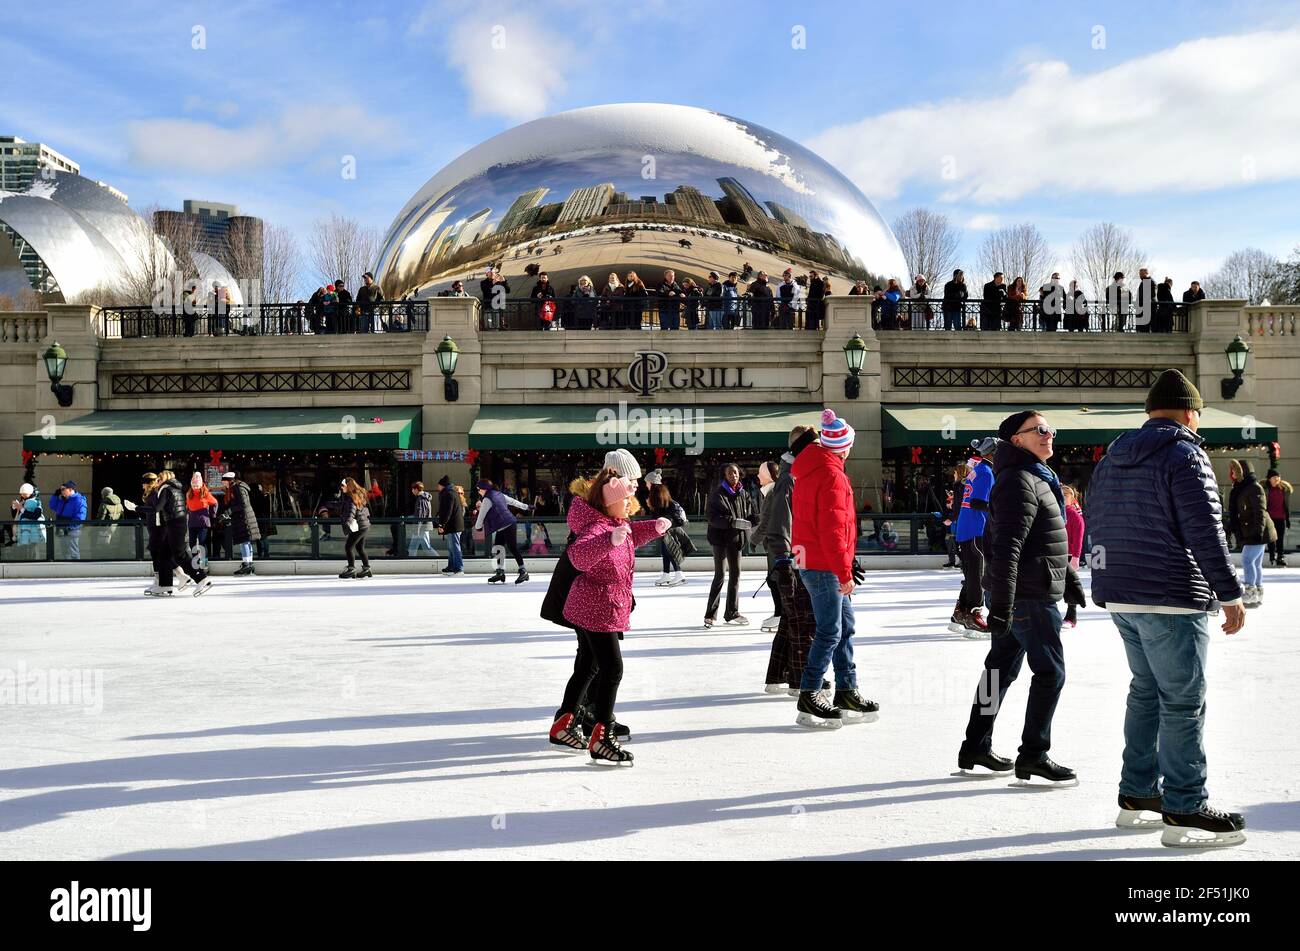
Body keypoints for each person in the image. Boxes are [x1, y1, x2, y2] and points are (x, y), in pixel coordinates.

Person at [1087, 368, 1248, 846]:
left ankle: (1139, 794)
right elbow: (1205, 531)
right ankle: (1184, 806)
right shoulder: (1185, 455)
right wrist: (1229, 592)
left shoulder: (1112, 457)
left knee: (1147, 692)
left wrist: (1104, 581)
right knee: (1181, 701)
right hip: (1172, 596)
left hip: (1121, 593)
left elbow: (1098, 525)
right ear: (1190, 413)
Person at [958, 410, 1085, 782]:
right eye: (1040, 430)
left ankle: (975, 746)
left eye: (1051, 430)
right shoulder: (1019, 480)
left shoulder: (1035, 476)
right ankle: (1034, 754)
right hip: (1028, 595)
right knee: (1050, 673)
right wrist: (1002, 603)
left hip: (1028, 590)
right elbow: (1007, 545)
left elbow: (1044, 540)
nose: (1049, 436)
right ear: (1016, 440)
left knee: (998, 672)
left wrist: (1071, 579)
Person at [548, 468, 671, 766]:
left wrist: (654, 527)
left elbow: (629, 536)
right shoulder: (597, 528)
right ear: (609, 502)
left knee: (589, 667)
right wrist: (608, 541)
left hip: (599, 606)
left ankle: (563, 725)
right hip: (595, 608)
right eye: (625, 499)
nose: (630, 503)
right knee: (612, 669)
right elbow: (578, 556)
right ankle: (602, 739)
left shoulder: (615, 523)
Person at [790, 409, 879, 728]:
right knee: (830, 630)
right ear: (844, 445)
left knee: (844, 627)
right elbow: (832, 530)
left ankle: (846, 690)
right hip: (822, 564)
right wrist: (844, 572)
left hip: (815, 560)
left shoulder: (813, 468)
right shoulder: (831, 475)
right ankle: (810, 693)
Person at [762, 425, 821, 695]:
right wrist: (786, 562)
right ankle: (799, 680)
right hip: (794, 559)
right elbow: (781, 524)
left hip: (796, 557)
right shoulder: (791, 479)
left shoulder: (796, 475)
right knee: (802, 620)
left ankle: (777, 675)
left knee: (790, 620)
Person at [949, 439, 996, 636]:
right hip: (976, 529)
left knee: (971, 574)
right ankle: (974, 615)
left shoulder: (978, 470)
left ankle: (960, 613)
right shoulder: (986, 472)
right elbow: (978, 502)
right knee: (978, 575)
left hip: (967, 529)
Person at [704, 463, 755, 627]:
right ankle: (710, 615)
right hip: (720, 540)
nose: (734, 475)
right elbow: (712, 518)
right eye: (730, 473)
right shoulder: (717, 494)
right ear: (725, 476)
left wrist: (759, 519)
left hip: (736, 540)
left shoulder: (744, 493)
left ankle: (732, 612)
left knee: (735, 575)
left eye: (736, 472)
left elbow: (750, 515)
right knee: (720, 575)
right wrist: (732, 522)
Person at [152, 469, 211, 595]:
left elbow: (157, 508)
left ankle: (202, 579)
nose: (157, 482)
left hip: (175, 524)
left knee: (180, 555)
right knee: (163, 554)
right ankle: (164, 585)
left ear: (164, 479)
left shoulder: (166, 489)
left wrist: (136, 508)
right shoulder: (175, 488)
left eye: (159, 479)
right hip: (176, 523)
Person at [1227, 459, 1275, 607]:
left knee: (1248, 560)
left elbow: (1260, 512)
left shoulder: (1254, 487)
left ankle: (1250, 591)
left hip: (1257, 531)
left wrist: (1258, 533)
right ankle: (1258, 592)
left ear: (1243, 472)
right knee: (1255, 563)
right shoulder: (1241, 488)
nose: (1232, 473)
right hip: (1252, 530)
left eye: (1235, 470)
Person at [474, 479, 531, 583]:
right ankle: (500, 572)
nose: (478, 491)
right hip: (503, 525)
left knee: (512, 547)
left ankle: (523, 571)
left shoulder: (487, 499)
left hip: (507, 524)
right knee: (498, 546)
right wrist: (526, 507)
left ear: (484, 489)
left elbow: (482, 514)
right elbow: (513, 501)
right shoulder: (498, 494)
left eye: (479, 489)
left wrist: (478, 527)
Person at [754, 461, 784, 630]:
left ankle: (780, 615)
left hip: (776, 543)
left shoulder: (773, 493)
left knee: (775, 580)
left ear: (768, 475)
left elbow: (766, 521)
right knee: (774, 579)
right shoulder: (770, 492)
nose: (758, 476)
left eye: (760, 473)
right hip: (775, 542)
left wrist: (753, 540)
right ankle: (780, 613)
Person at [645, 471, 689, 586]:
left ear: (651, 482)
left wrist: (650, 506)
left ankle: (679, 573)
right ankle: (666, 574)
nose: (646, 485)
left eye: (647, 482)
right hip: (669, 525)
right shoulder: (661, 491)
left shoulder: (656, 493)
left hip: (668, 526)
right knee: (665, 551)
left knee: (668, 550)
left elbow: (660, 512)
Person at [219, 472, 260, 575]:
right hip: (242, 518)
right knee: (246, 541)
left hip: (244, 518)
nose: (223, 484)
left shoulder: (238, 488)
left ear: (229, 481)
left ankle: (247, 564)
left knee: (245, 542)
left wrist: (229, 511)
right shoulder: (234, 488)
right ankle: (249, 564)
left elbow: (243, 504)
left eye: (223, 481)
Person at [336, 477, 372, 579]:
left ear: (348, 486)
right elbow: (344, 505)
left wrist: (348, 520)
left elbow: (351, 510)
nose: (341, 487)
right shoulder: (355, 496)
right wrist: (328, 504)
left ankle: (351, 569)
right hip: (364, 525)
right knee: (359, 548)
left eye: (343, 485)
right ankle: (367, 569)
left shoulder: (351, 498)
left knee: (349, 547)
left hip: (359, 526)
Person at [1062, 484, 1085, 628]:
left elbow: (1078, 539)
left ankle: (1072, 616)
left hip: (1069, 556)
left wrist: (1076, 557)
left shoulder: (1074, 515)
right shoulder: (1055, 512)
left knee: (1070, 586)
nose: (1062, 498)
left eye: (1065, 495)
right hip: (1056, 554)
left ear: (1072, 498)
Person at [434, 475, 465, 574]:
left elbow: (447, 511)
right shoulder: (450, 493)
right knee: (451, 547)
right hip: (453, 525)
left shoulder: (448, 494)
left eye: (438, 485)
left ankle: (458, 568)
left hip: (453, 526)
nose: (437, 488)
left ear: (443, 485)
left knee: (454, 547)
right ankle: (451, 566)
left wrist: (441, 525)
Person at [48, 481, 86, 560]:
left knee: (73, 552)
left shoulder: (78, 500)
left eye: (63, 489)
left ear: (70, 489)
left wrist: (69, 527)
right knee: (65, 552)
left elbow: (80, 517)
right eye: (60, 489)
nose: (61, 491)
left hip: (72, 529)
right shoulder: (63, 500)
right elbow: (52, 506)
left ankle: (76, 570)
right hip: (62, 528)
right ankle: (67, 570)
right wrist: (55, 495)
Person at [186, 473, 218, 557]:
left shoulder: (205, 493)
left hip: (203, 522)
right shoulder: (189, 494)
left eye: (197, 486)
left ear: (200, 485)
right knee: (192, 544)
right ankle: (195, 562)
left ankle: (204, 564)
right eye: (193, 486)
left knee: (202, 544)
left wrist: (212, 515)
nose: (195, 488)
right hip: (192, 522)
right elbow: (188, 506)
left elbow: (215, 503)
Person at [1265, 468, 1291, 567]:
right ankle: (1272, 556)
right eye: (1274, 477)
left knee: (1280, 539)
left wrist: (1287, 519)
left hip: (1281, 518)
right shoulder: (1266, 490)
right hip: (1270, 519)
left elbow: (1286, 505)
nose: (1276, 479)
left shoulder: (1283, 490)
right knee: (1271, 539)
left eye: (1278, 477)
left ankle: (1281, 557)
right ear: (1269, 479)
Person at [11, 483, 46, 554]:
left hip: (34, 532)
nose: (22, 496)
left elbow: (35, 516)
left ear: (30, 493)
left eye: (24, 494)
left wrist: (21, 508)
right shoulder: (23, 501)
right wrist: (14, 508)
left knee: (33, 552)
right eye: (21, 494)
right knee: (26, 552)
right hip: (24, 532)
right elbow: (17, 515)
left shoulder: (36, 502)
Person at [407, 481, 435, 557]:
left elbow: (420, 516)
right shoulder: (424, 498)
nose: (412, 491)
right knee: (413, 548)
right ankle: (410, 562)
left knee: (426, 548)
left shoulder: (421, 499)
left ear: (416, 489)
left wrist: (416, 529)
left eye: (413, 489)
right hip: (423, 526)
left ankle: (440, 560)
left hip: (421, 527)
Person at [480, 266, 510, 330]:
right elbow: (487, 292)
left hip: (497, 308)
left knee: (497, 325)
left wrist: (504, 281)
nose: (493, 274)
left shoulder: (499, 282)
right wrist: (493, 284)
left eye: (494, 272)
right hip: (488, 308)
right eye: (491, 273)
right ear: (487, 274)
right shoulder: (483, 283)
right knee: (489, 325)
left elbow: (508, 291)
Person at [1134, 267, 1157, 333]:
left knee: (1145, 328)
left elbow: (1151, 295)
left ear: (1146, 273)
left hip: (1147, 308)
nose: (1140, 276)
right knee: (1143, 328)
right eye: (1139, 274)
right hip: (1144, 308)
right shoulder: (1145, 282)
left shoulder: (1149, 281)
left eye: (1141, 274)